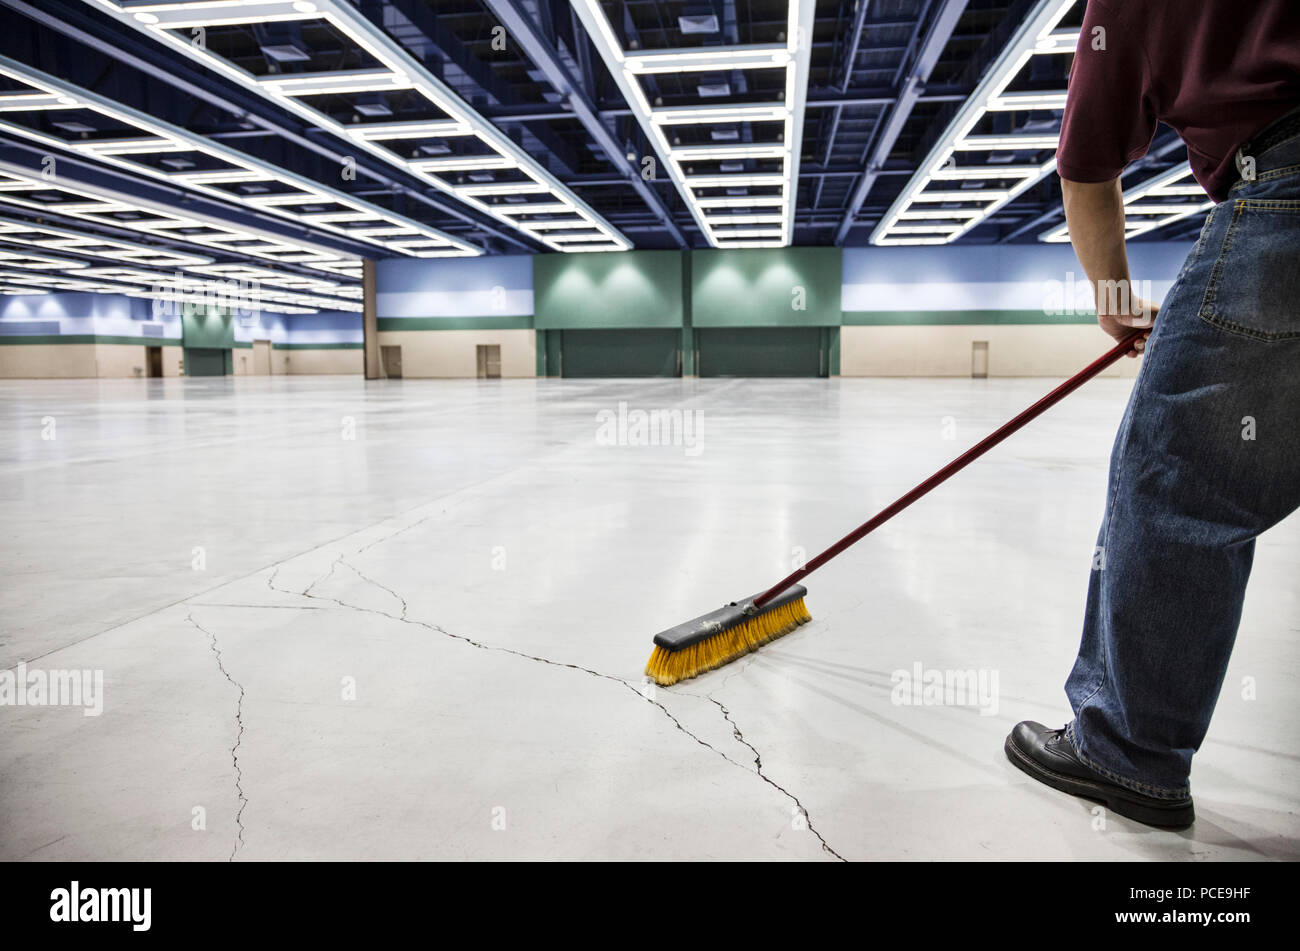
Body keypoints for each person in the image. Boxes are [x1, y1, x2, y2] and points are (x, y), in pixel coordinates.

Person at [1004, 0, 1300, 828]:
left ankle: (1127, 752)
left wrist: (1113, 297)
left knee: (1177, 486)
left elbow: (1087, 165)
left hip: (1282, 195)